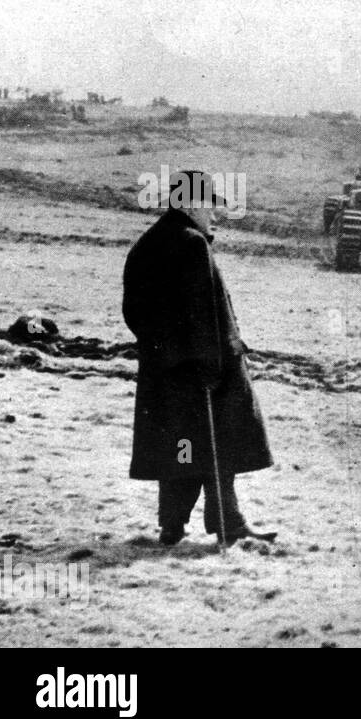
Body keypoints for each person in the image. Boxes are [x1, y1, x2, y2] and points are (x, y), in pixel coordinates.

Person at [123, 169, 276, 547]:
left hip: (165, 374)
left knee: (181, 447)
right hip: (206, 373)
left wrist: (163, 353)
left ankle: (171, 525)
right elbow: (205, 315)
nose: (214, 215)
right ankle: (229, 524)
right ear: (190, 204)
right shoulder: (192, 244)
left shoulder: (147, 244)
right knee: (218, 447)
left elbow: (134, 313)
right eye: (209, 206)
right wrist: (210, 366)